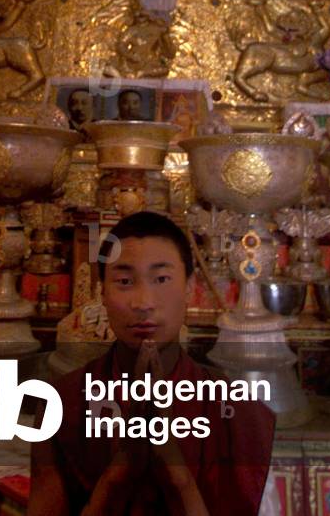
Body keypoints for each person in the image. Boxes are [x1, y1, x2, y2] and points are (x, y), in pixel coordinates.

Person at [28, 211, 275, 515]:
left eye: (161, 279)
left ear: (189, 287)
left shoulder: (238, 411)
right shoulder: (62, 404)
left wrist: (179, 479)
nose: (143, 302)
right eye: (124, 281)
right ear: (102, 291)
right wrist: (114, 480)